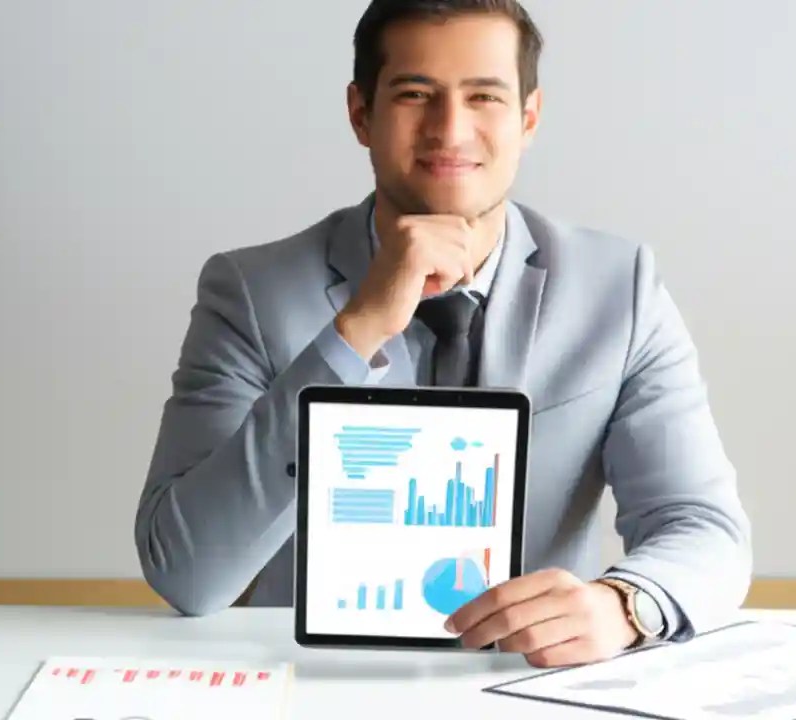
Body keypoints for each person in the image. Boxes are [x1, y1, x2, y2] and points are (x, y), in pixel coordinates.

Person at [135, 0, 752, 668]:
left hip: (533, 685)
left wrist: (624, 605)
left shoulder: (619, 288)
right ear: (361, 114)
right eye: (414, 94)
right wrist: (356, 331)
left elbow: (706, 530)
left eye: (484, 96)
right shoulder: (251, 292)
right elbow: (186, 573)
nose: (450, 130)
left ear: (528, 118)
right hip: (315, 682)